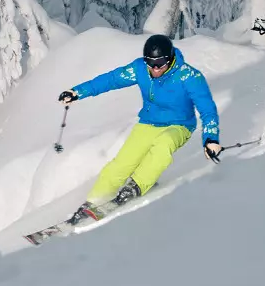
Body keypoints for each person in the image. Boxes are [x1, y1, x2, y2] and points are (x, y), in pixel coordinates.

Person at [57, 34, 221, 224]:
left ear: (170, 59)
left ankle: (135, 187)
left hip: (180, 125)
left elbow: (208, 110)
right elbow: (111, 80)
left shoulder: (189, 76)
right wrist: (77, 92)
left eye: (160, 63)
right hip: (148, 123)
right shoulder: (140, 69)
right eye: (151, 63)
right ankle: (94, 201)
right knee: (123, 162)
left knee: (163, 145)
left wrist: (211, 139)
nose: (155, 68)